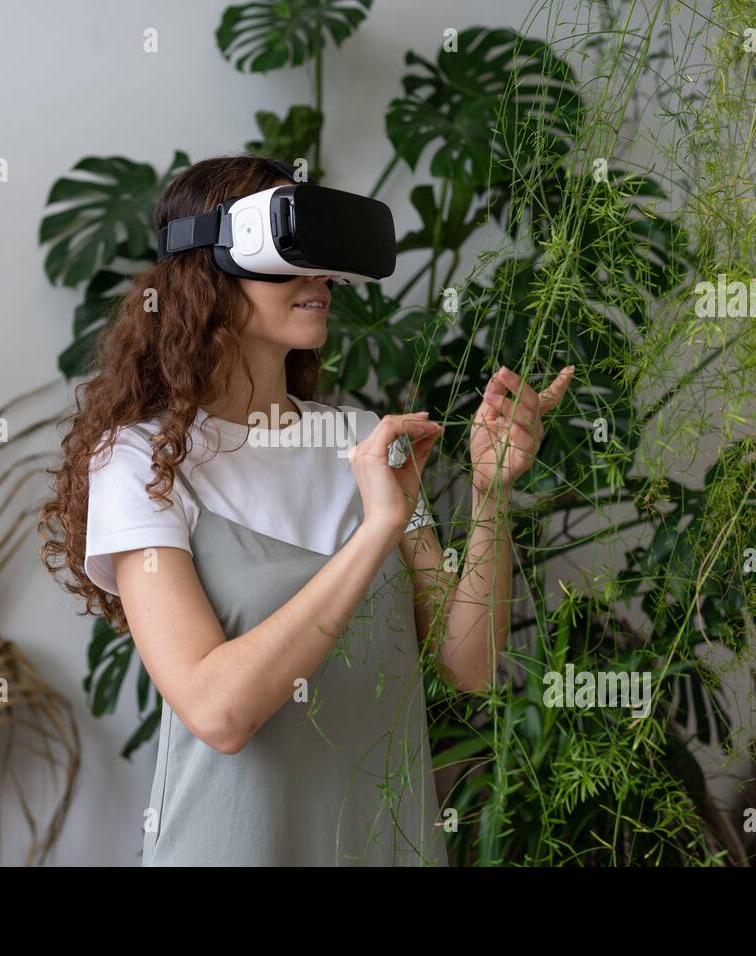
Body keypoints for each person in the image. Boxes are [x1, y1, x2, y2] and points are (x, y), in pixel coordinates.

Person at [40, 153, 574, 866]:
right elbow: (218, 711)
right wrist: (377, 527)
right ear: (212, 269)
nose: (319, 276)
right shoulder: (139, 461)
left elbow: (468, 664)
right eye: (290, 251)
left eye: (323, 258)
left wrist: (490, 491)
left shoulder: (358, 441)